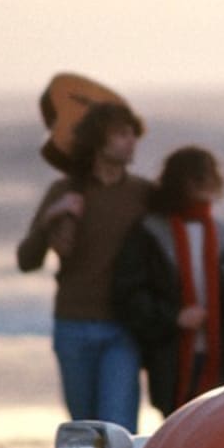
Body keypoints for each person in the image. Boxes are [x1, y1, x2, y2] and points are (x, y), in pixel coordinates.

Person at [17, 101, 151, 431]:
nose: (130, 141)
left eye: (133, 134)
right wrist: (51, 218)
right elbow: (27, 260)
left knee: (118, 429)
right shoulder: (64, 192)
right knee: (86, 429)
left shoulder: (144, 195)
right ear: (98, 141)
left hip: (123, 329)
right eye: (121, 134)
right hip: (72, 326)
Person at [112, 147, 224, 416]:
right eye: (197, 177)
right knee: (178, 427)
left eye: (210, 175)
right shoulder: (150, 233)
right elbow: (128, 294)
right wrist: (174, 317)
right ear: (178, 182)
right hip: (171, 355)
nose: (205, 182)